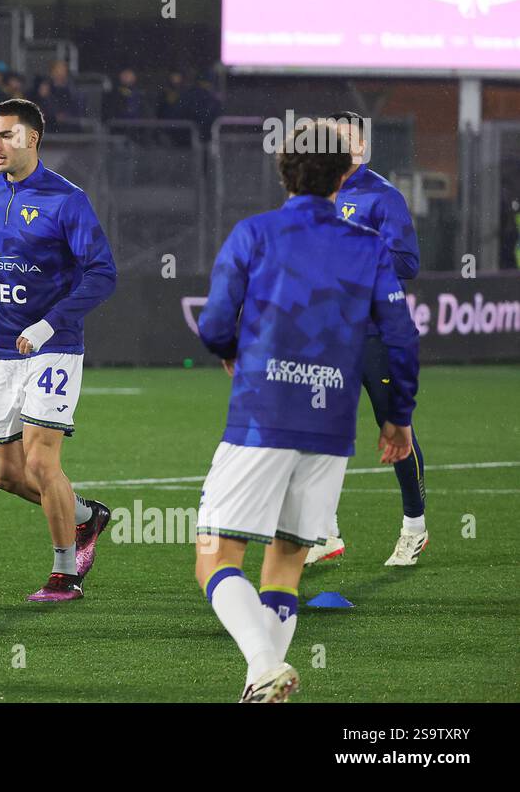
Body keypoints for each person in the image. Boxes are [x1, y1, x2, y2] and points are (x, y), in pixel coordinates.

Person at [194, 120, 419, 702]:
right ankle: (259, 682)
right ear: (344, 173)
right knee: (287, 563)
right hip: (331, 420)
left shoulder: (255, 233)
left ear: (283, 169)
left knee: (216, 556)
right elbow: (401, 336)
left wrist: (230, 352)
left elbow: (217, 322)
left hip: (263, 413)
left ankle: (263, 663)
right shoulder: (369, 247)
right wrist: (398, 416)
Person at [0, 98, 116, 602]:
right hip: (3, 351)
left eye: (7, 135)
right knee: (4, 473)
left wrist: (50, 324)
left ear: (33, 139)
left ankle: (66, 573)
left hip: (54, 348)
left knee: (43, 463)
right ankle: (86, 517)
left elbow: (103, 273)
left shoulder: (67, 201)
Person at [307, 112, 429, 567]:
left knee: (395, 430)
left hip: (377, 335)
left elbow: (408, 262)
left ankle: (414, 527)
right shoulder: (317, 192)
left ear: (361, 147)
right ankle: (326, 534)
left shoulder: (382, 196)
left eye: (342, 138)